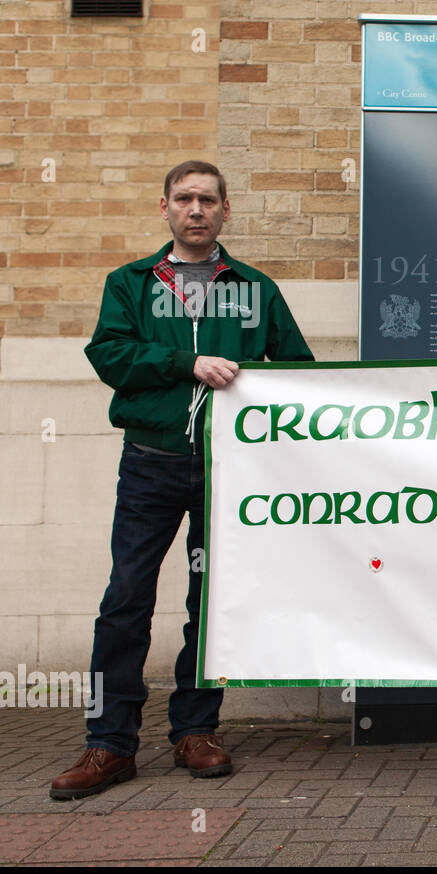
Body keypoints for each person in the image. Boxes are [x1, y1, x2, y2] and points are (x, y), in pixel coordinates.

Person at [50, 161, 314, 799]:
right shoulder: (131, 284)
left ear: (226, 211)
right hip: (150, 463)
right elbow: (109, 355)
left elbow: (299, 370)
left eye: (207, 200)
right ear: (164, 208)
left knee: (211, 602)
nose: (196, 210)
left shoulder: (254, 287)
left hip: (228, 469)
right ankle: (109, 744)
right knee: (125, 603)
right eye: (184, 199)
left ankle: (196, 730)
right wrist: (185, 361)